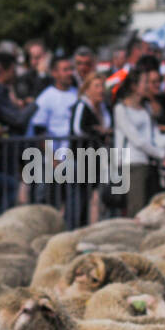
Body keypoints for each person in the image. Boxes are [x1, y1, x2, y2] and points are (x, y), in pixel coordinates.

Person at [114, 64, 165, 216]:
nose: (147, 86)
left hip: (148, 162)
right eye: (144, 82)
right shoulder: (121, 109)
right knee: (135, 209)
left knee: (147, 208)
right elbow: (136, 140)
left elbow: (154, 133)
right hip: (131, 162)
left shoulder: (146, 108)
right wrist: (161, 154)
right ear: (133, 86)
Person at [68, 74, 113, 224]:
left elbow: (109, 128)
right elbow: (77, 129)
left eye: (102, 86)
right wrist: (97, 131)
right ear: (87, 89)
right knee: (81, 199)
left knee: (98, 197)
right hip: (82, 158)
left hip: (100, 159)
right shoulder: (81, 106)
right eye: (97, 86)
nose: (101, 90)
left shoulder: (104, 108)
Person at [31, 55, 80, 143]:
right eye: (65, 70)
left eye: (71, 69)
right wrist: (52, 156)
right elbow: (39, 131)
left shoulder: (78, 94)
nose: (70, 73)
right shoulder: (45, 97)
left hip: (76, 154)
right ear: (54, 73)